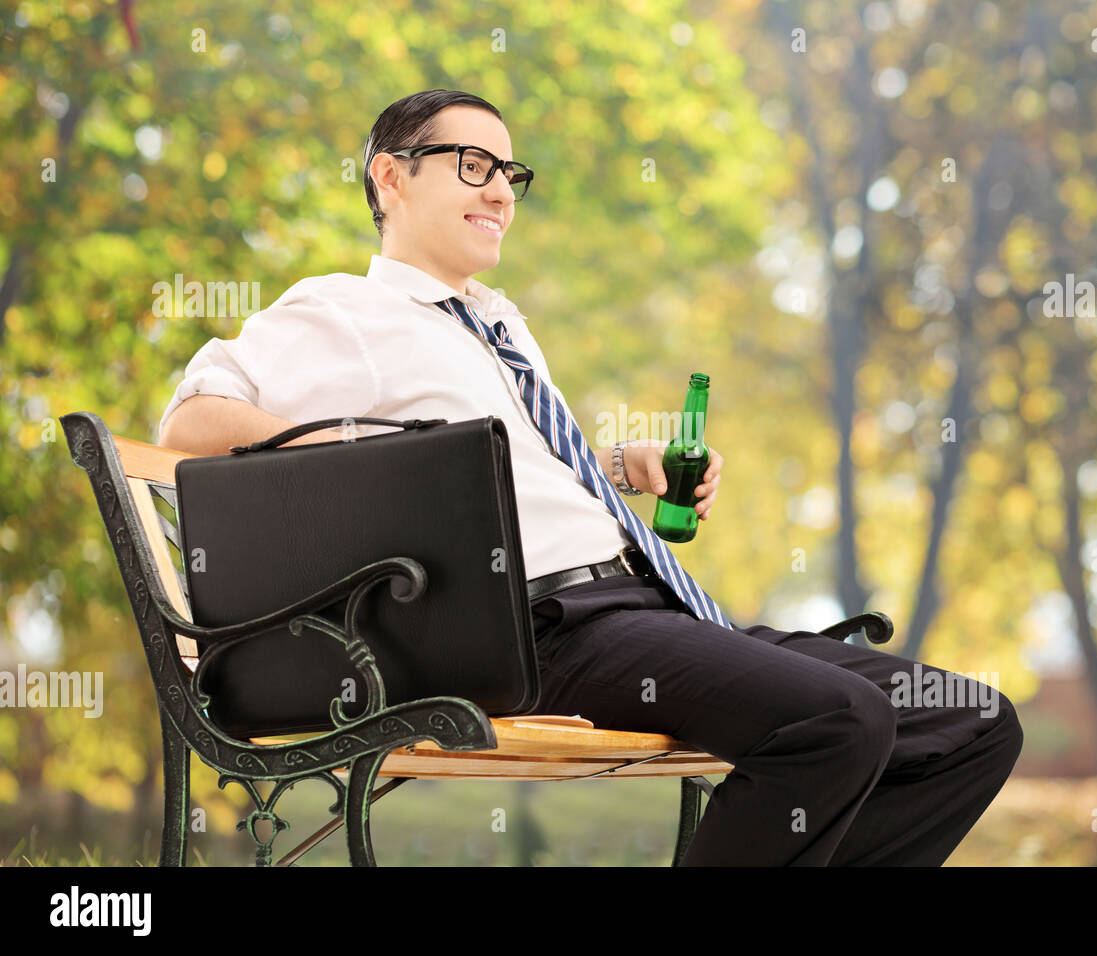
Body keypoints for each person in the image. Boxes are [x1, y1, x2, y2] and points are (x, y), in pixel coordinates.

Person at [159, 89, 1022, 866]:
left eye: (510, 173)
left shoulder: (498, 325)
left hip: (651, 603)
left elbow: (517, 470)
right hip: (543, 628)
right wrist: (366, 453)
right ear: (390, 177)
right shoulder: (343, 310)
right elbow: (191, 420)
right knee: (836, 723)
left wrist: (620, 466)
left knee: (972, 724)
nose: (501, 191)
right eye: (473, 166)